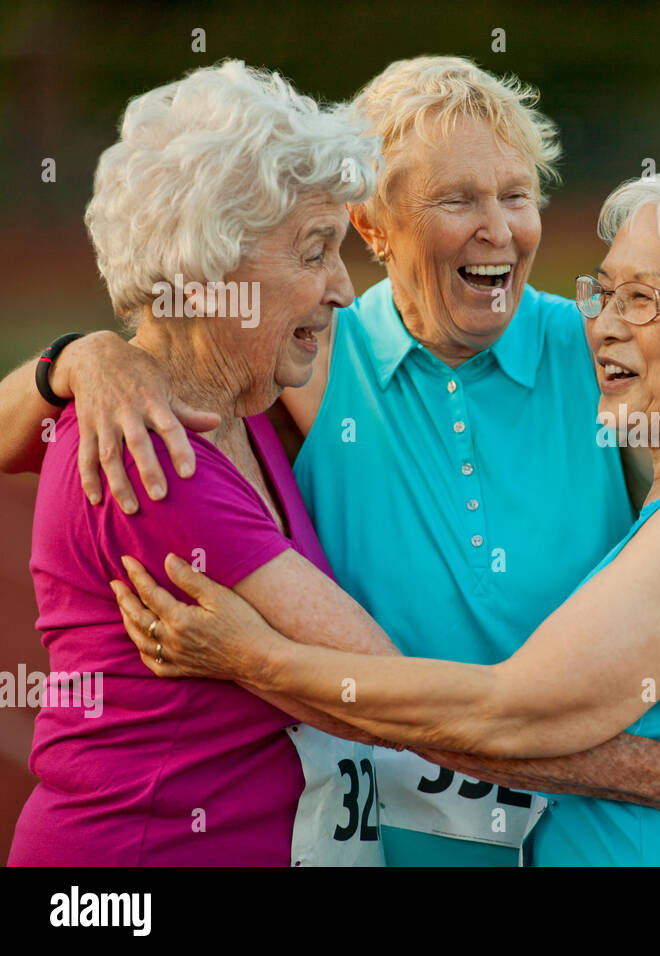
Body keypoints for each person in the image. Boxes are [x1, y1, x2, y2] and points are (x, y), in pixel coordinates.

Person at [1, 56, 660, 866]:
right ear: (372, 228)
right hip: (385, 841)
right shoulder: (310, 357)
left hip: (568, 831)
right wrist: (80, 361)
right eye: (458, 200)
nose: (497, 229)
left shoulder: (603, 353)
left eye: (517, 194)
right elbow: (141, 363)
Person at [6, 59, 392, 865]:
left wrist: (78, 353)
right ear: (213, 270)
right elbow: (390, 694)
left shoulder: (246, 403)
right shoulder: (152, 455)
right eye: (316, 250)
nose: (343, 288)